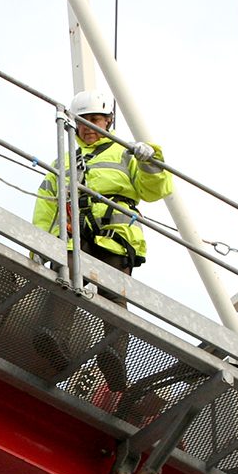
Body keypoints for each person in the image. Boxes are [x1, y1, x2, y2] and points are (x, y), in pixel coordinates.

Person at [31, 89, 173, 391]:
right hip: (74, 232)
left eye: (95, 119)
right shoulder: (63, 161)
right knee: (66, 276)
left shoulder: (126, 153)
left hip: (115, 235)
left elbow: (155, 190)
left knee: (114, 295)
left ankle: (114, 357)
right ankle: (53, 337)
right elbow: (46, 204)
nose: (88, 127)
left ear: (108, 120)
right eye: (82, 121)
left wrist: (151, 159)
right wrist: (38, 244)